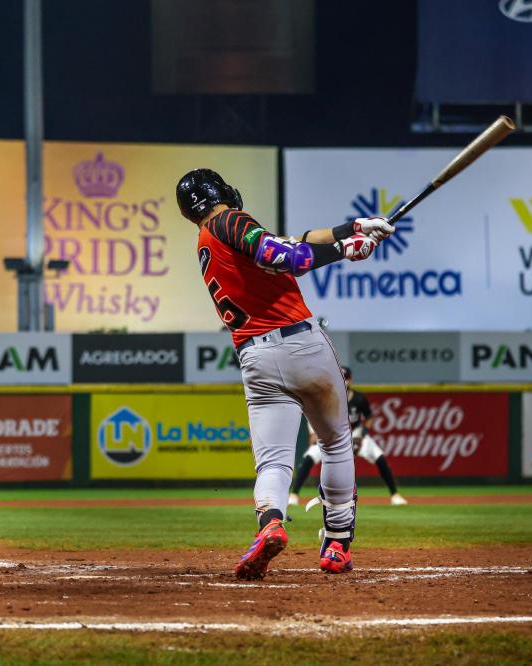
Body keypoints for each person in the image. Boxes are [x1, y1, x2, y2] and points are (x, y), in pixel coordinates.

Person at [175, 169, 393, 578]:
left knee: (272, 461)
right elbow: (287, 257)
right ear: (220, 192)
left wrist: (352, 228)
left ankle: (271, 524)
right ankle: (337, 545)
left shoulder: (208, 240)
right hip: (301, 344)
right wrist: (345, 250)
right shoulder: (229, 220)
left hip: (255, 358)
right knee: (336, 442)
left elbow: (292, 242)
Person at [289, 366, 408, 508]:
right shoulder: (327, 398)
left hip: (354, 434)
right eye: (340, 378)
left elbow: (369, 417)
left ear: (350, 380)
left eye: (346, 379)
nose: (343, 381)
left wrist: (362, 434)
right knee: (309, 458)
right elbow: (313, 413)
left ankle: (395, 495)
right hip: (330, 434)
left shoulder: (359, 398)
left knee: (380, 457)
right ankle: (294, 495)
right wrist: (313, 433)